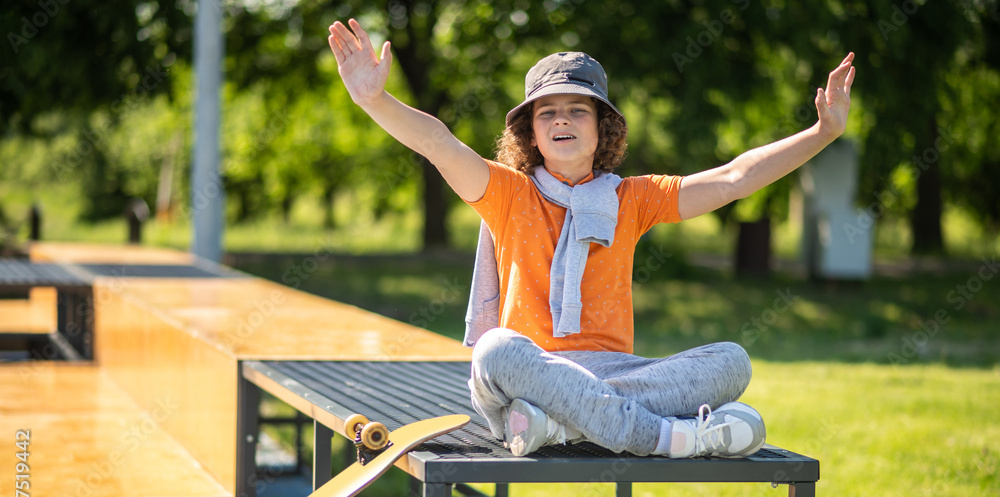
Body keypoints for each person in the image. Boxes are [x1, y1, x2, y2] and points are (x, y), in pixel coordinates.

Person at [328, 18, 855, 458]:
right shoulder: (506, 192)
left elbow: (733, 179)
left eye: (577, 109)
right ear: (530, 133)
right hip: (525, 375)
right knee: (495, 350)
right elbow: (438, 144)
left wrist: (821, 133)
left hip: (606, 375)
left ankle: (564, 427)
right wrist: (376, 101)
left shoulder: (631, 199)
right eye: (547, 111)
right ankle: (671, 438)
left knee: (731, 361)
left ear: (602, 128)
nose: (562, 120)